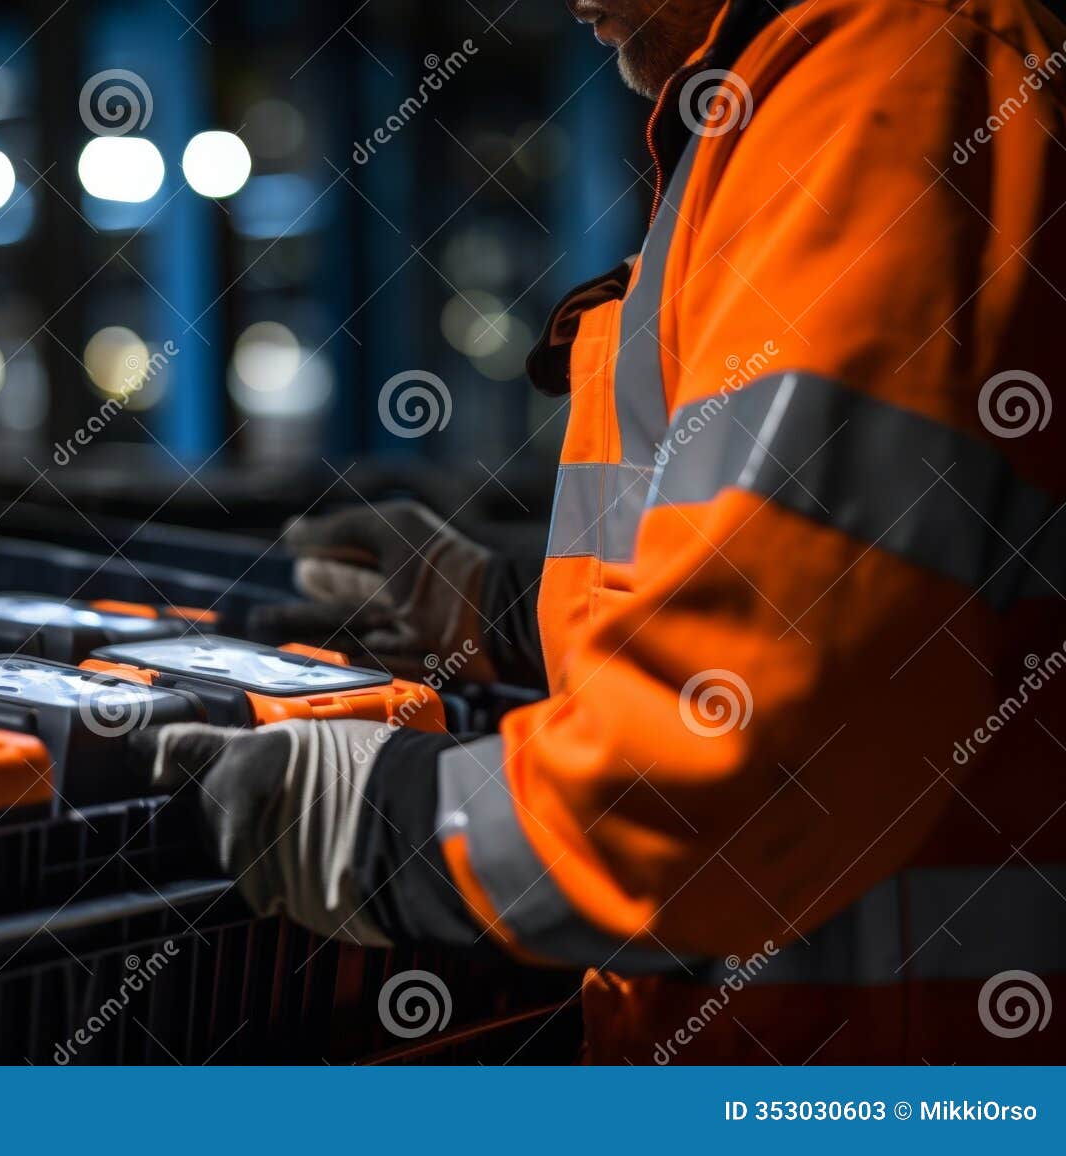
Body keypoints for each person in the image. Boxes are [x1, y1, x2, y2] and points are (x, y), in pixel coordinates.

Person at [141, 0, 1066, 1063]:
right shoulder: (776, 101)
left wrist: (387, 822)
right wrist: (497, 608)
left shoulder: (884, 73)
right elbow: (854, 581)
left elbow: (752, 746)